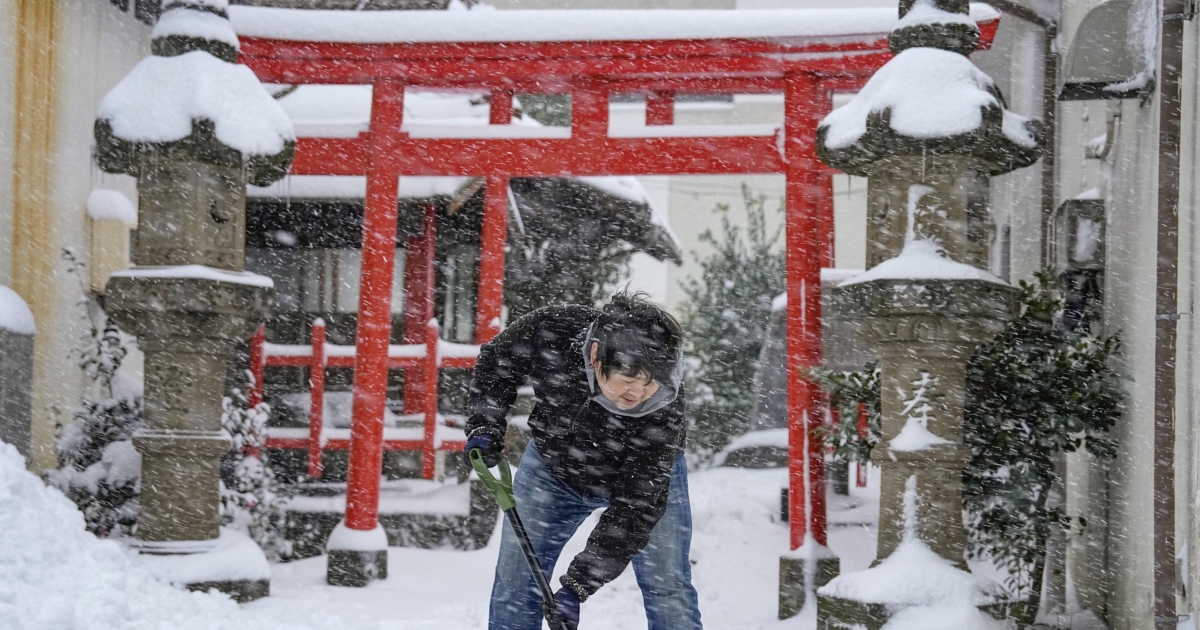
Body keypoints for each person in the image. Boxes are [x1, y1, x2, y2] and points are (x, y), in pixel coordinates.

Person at [464, 292, 702, 630]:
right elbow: (497, 361)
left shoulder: (665, 413)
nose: (637, 394)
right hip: (553, 471)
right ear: (595, 355)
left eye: (650, 384)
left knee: (668, 586)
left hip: (638, 482)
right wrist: (486, 422)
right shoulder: (555, 330)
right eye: (628, 380)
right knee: (516, 585)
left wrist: (577, 587)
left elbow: (635, 510)